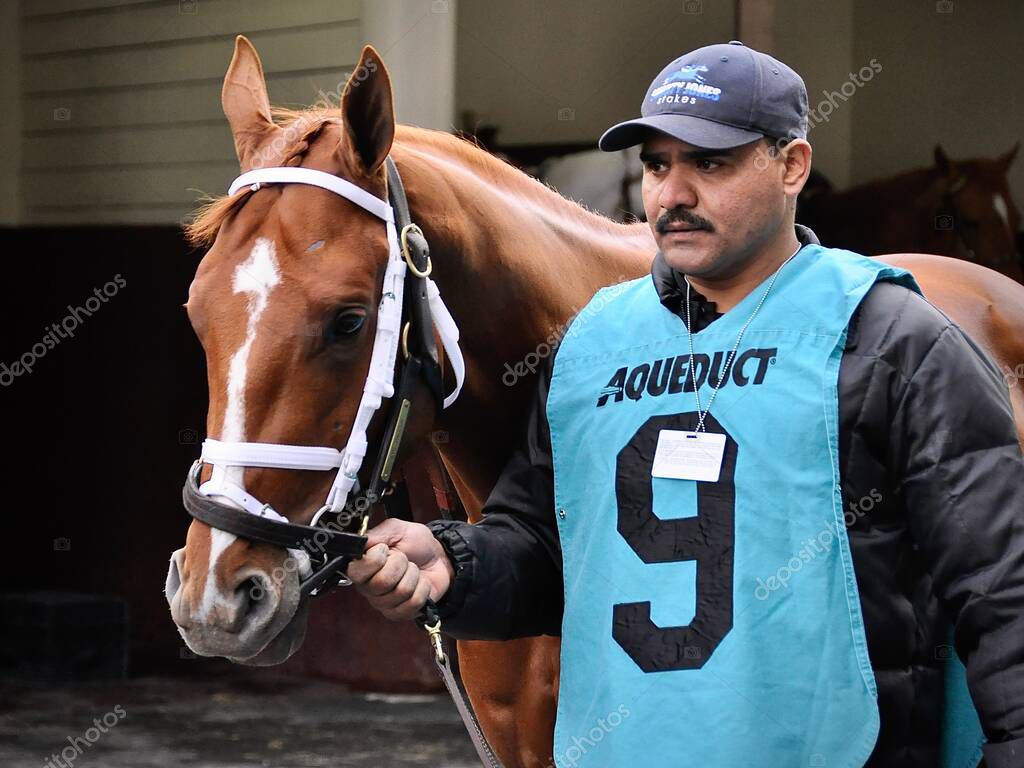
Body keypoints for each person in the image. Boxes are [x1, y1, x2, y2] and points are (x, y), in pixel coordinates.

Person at [347, 41, 1024, 767]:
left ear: (792, 166)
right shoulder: (590, 345)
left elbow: (1002, 585)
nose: (673, 194)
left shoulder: (892, 338)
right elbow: (545, 545)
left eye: (711, 162)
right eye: (658, 165)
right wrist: (453, 567)